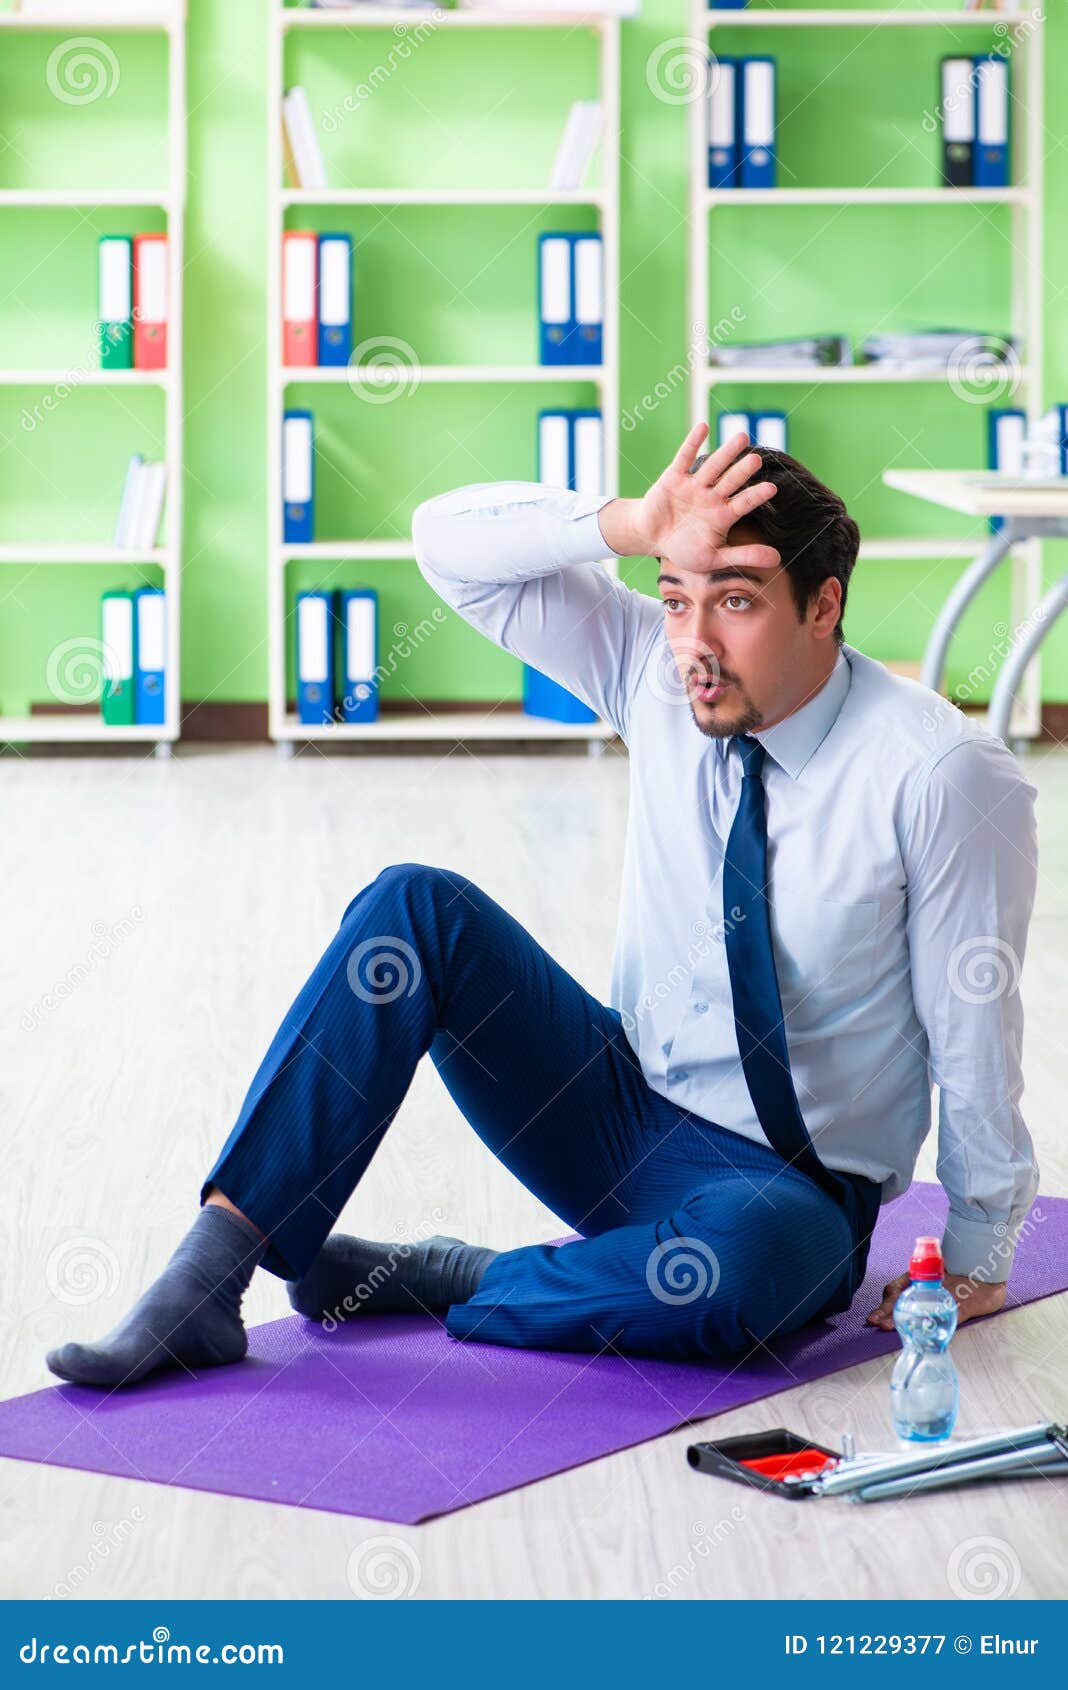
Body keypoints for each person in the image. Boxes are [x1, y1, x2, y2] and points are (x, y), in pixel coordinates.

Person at [46, 426, 1038, 1390]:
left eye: (734, 602)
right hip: (616, 1109)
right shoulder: (658, 670)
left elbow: (973, 1017)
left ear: (824, 605)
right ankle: (203, 1286)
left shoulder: (939, 773)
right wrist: (633, 522)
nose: (694, 642)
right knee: (412, 910)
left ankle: (456, 1275)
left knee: (740, 1271)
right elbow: (448, 546)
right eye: (676, 598)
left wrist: (977, 1244)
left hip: (785, 1190)